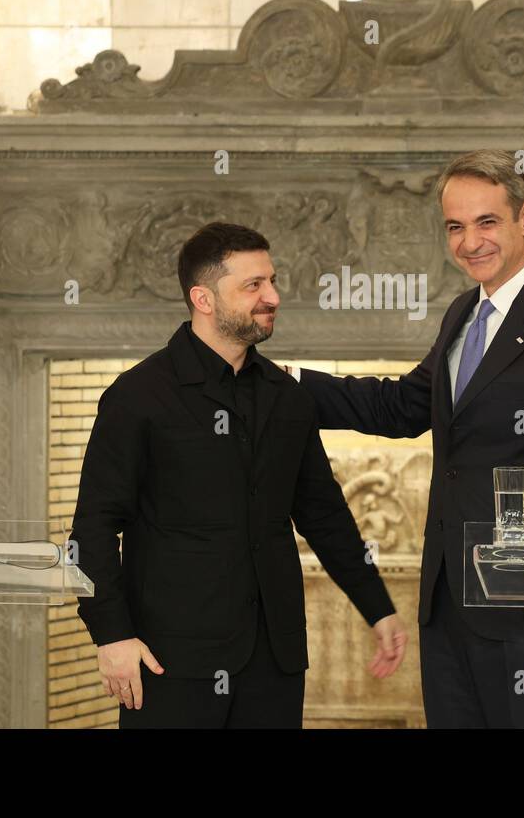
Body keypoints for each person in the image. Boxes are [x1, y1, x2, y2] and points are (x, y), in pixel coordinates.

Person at [288, 150, 524, 728]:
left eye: (486, 222)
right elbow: (401, 406)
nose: (470, 241)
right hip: (450, 610)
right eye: (455, 226)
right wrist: (289, 384)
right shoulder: (463, 315)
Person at [70, 222, 407, 728]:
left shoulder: (287, 397)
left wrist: (378, 607)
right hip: (171, 663)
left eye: (271, 281)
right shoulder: (137, 397)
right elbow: (93, 529)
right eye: (253, 285)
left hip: (274, 663)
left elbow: (324, 516)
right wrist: (111, 635)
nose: (271, 296)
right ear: (203, 298)